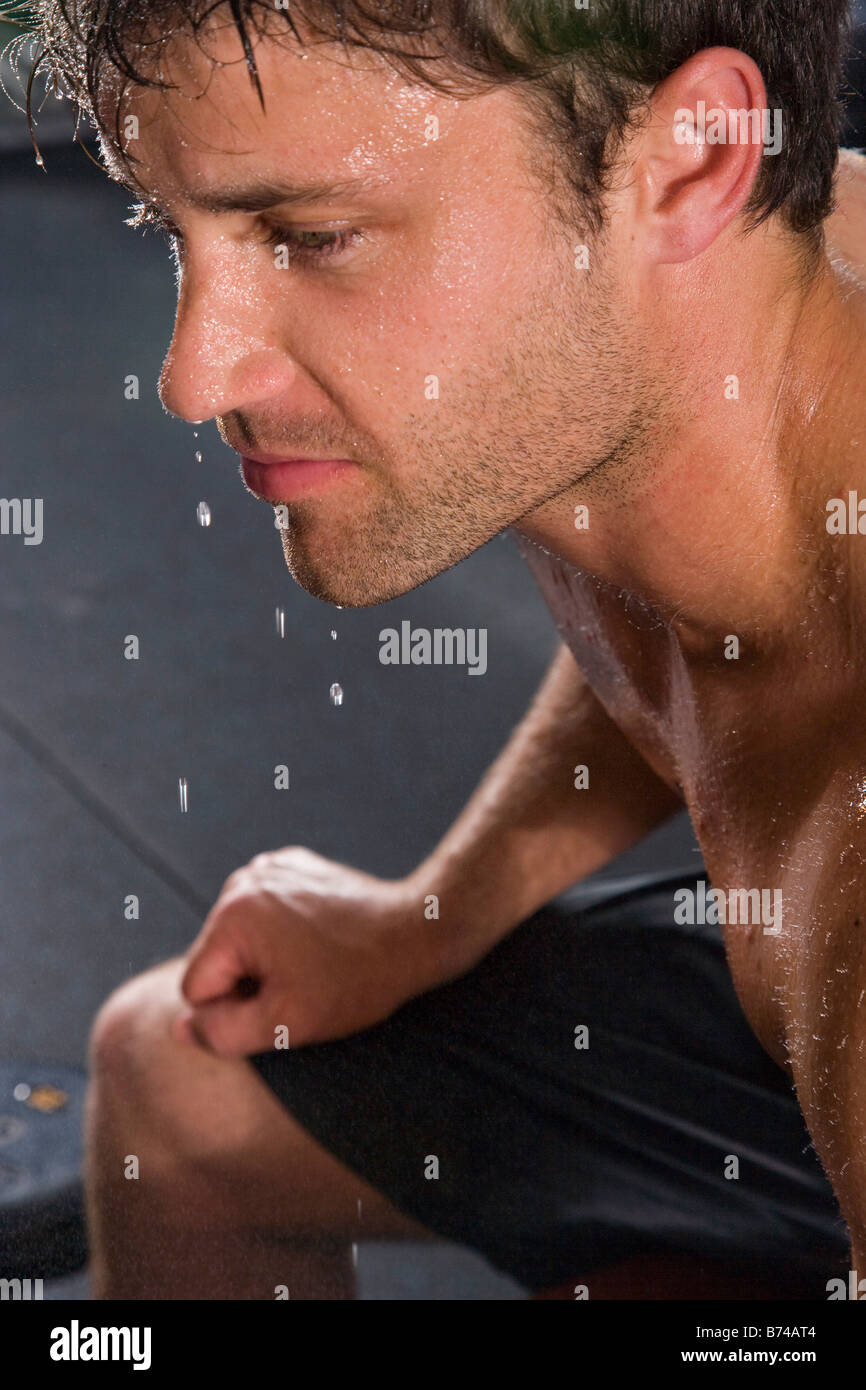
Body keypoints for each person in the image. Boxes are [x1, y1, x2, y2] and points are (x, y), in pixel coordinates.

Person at [22, 0, 866, 1297]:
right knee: (179, 1076)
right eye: (166, 224)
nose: (193, 376)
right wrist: (431, 915)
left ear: (692, 156)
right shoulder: (740, 295)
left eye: (312, 236)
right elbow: (679, 632)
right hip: (776, 1029)